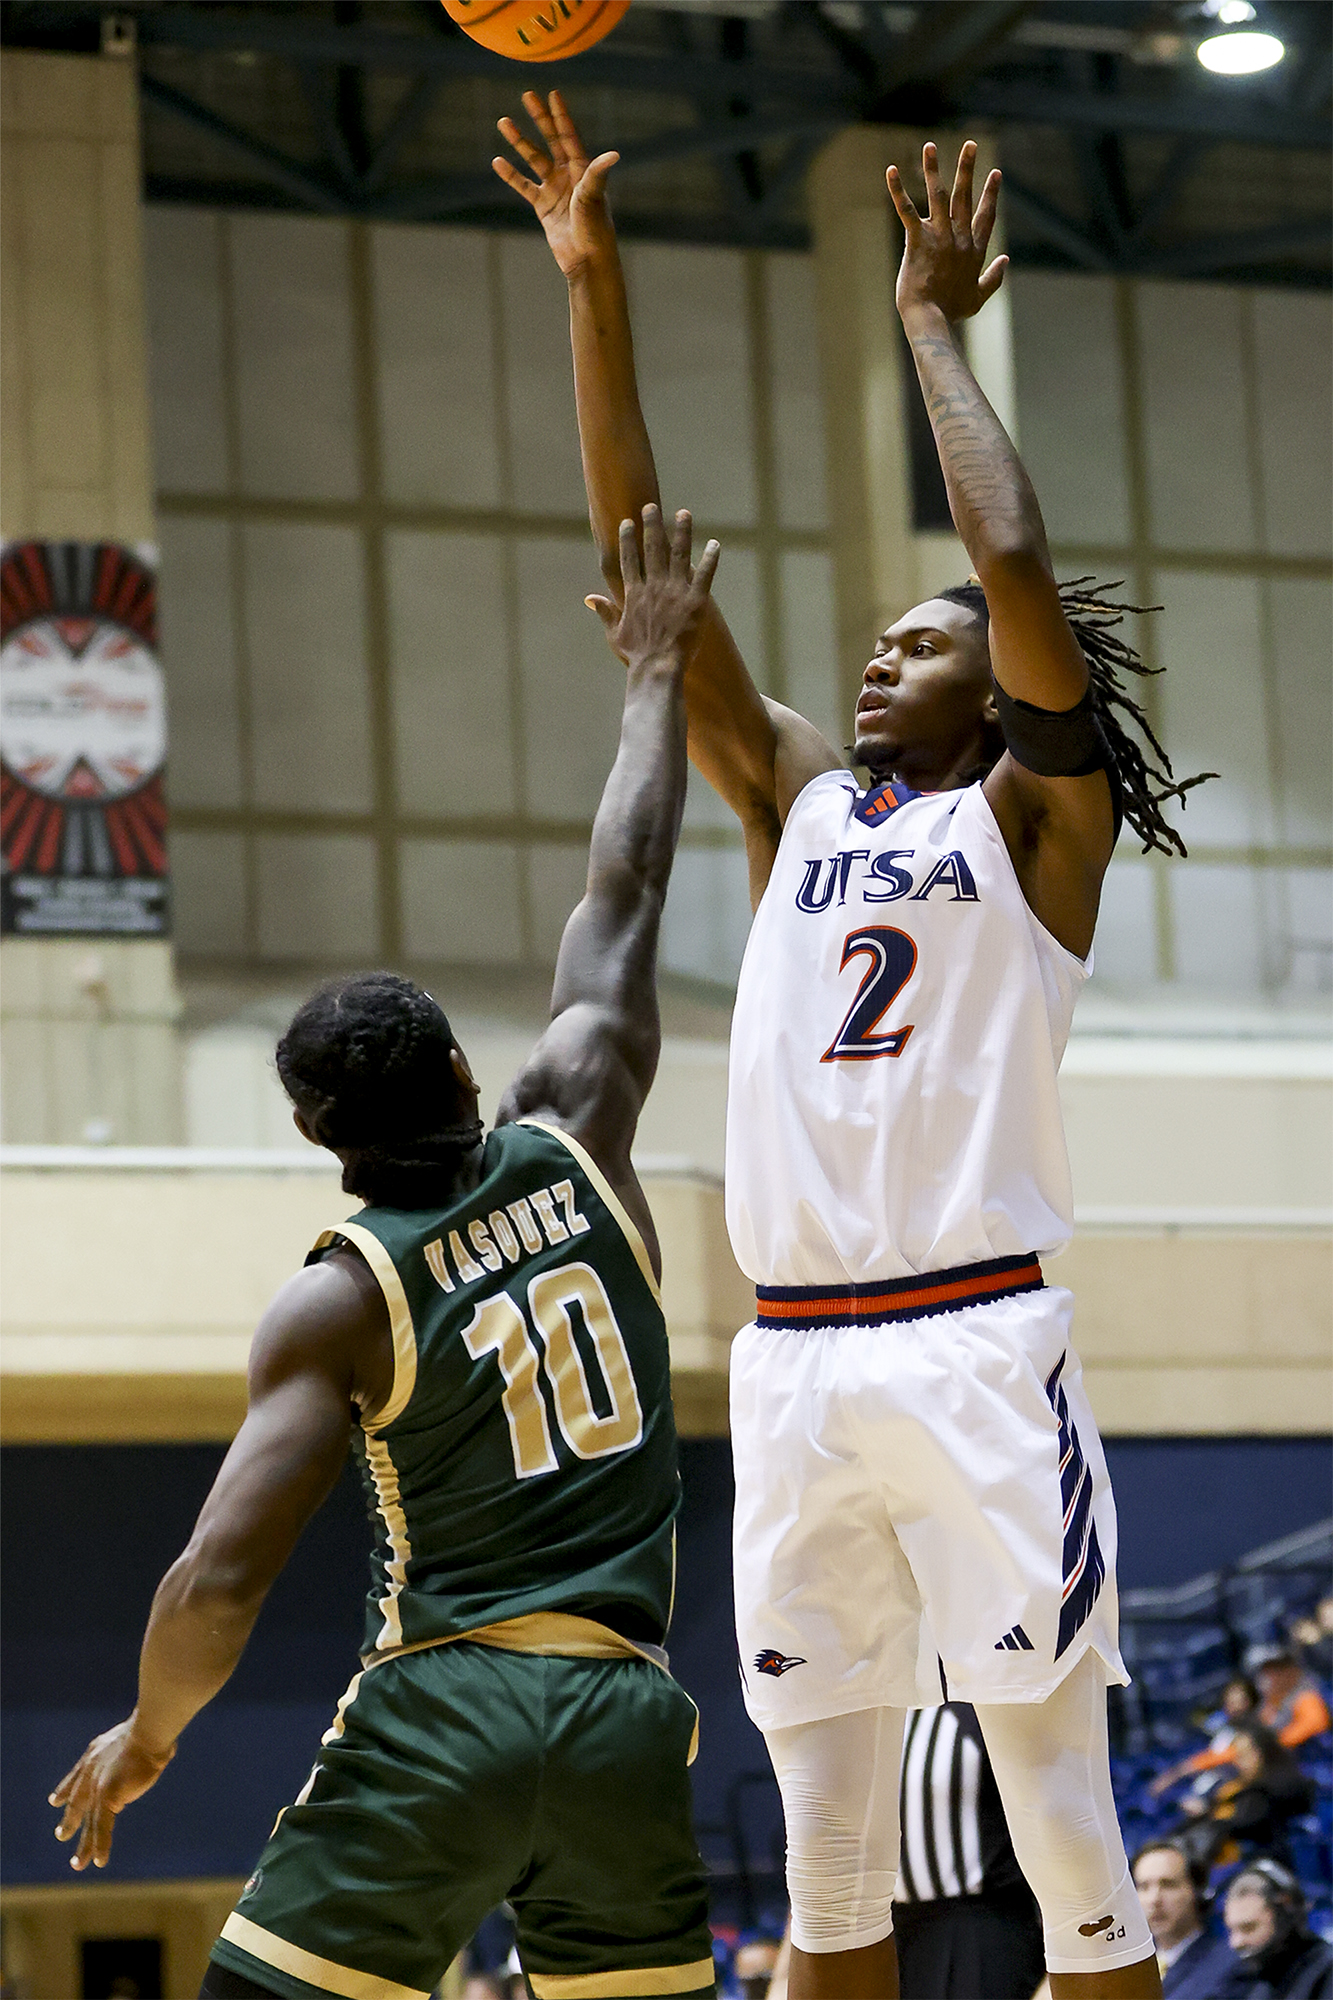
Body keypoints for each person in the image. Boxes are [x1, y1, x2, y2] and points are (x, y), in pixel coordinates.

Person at [497, 90, 1215, 2000]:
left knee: (1063, 1837)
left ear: (1000, 689)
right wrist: (589, 282)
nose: (883, 654)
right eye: (880, 642)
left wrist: (926, 329)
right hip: (796, 1358)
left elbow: (1007, 561)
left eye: (924, 641)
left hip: (979, 1344)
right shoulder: (803, 806)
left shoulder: (1034, 835)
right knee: (823, 1865)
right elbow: (647, 569)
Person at [50, 508, 723, 2000]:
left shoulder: (340, 1298)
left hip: (449, 1707)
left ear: (314, 1130)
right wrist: (653, 670)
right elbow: (628, 887)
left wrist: (151, 1736)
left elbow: (220, 1580)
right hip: (628, 1714)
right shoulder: (583, 1125)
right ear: (473, 1080)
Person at [893, 1703, 1046, 1999]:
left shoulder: (980, 1709)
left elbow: (1045, 1815)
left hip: (981, 1925)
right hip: (891, 1926)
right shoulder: (873, 1710)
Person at [1174, 1723, 1316, 1874]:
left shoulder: (1277, 1786)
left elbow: (1248, 1822)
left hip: (1261, 1864)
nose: (1239, 1761)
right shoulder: (1235, 1785)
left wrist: (1214, 1819)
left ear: (1262, 1752)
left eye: (1244, 1754)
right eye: (1238, 1755)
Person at [1131, 1843, 1235, 2000]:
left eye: (1168, 1885)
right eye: (1144, 1887)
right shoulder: (1127, 1966)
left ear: (1197, 1891)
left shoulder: (1228, 1967)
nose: (1154, 1899)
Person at [1221, 1864, 1333, 2000]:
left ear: (1284, 1914)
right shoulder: (1252, 1985)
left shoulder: (1325, 1972)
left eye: (1249, 1928)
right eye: (1232, 1930)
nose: (1236, 1942)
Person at [1151, 1680, 1262, 1803]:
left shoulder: (1255, 1729)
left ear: (1250, 1702)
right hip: (1211, 1786)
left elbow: (1220, 1757)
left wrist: (1178, 1773)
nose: (1234, 1707)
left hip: (1241, 1788)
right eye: (1230, 1701)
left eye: (1240, 1702)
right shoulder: (1219, 1726)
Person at [1248, 1650, 1332, 1750]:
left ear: (1293, 1670)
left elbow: (1316, 1722)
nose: (1273, 1675)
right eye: (1268, 1670)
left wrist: (1277, 1743)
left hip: (1314, 1755)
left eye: (1279, 1669)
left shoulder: (1305, 1692)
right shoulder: (1268, 1701)